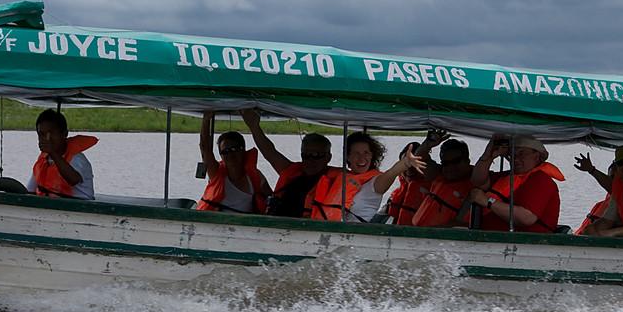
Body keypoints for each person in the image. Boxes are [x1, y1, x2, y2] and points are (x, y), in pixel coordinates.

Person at [244, 112, 406, 222]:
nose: (311, 160)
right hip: (278, 228)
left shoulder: (338, 178)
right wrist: (254, 127)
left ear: (328, 157)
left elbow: (387, 177)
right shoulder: (293, 172)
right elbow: (269, 152)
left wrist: (405, 163)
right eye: (307, 155)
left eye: (318, 155)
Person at [467, 134, 562, 233]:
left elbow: (527, 218)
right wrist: (489, 155)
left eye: (521, 153)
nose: (515, 159)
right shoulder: (506, 176)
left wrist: (488, 202)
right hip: (494, 242)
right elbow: (478, 181)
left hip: (527, 245)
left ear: (537, 156)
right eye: (512, 155)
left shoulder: (541, 180)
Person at [390, 136, 475, 228]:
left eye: (456, 161)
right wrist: (428, 143)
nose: (450, 167)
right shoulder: (439, 174)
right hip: (417, 234)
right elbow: (419, 159)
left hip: (441, 238)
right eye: (446, 163)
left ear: (467, 161)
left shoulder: (478, 183)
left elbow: (461, 224)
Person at [195, 113, 270, 213]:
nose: (230, 155)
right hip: (217, 226)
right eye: (225, 152)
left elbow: (273, 199)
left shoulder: (256, 177)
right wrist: (206, 118)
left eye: (234, 149)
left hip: (246, 226)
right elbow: (205, 148)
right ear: (221, 155)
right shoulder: (216, 173)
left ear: (243, 150)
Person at [30, 108, 97, 200]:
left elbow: (73, 180)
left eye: (51, 133)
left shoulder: (77, 159)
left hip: (77, 207)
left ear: (64, 134)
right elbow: (30, 190)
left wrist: (52, 152)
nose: (46, 139)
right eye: (41, 134)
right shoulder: (43, 160)